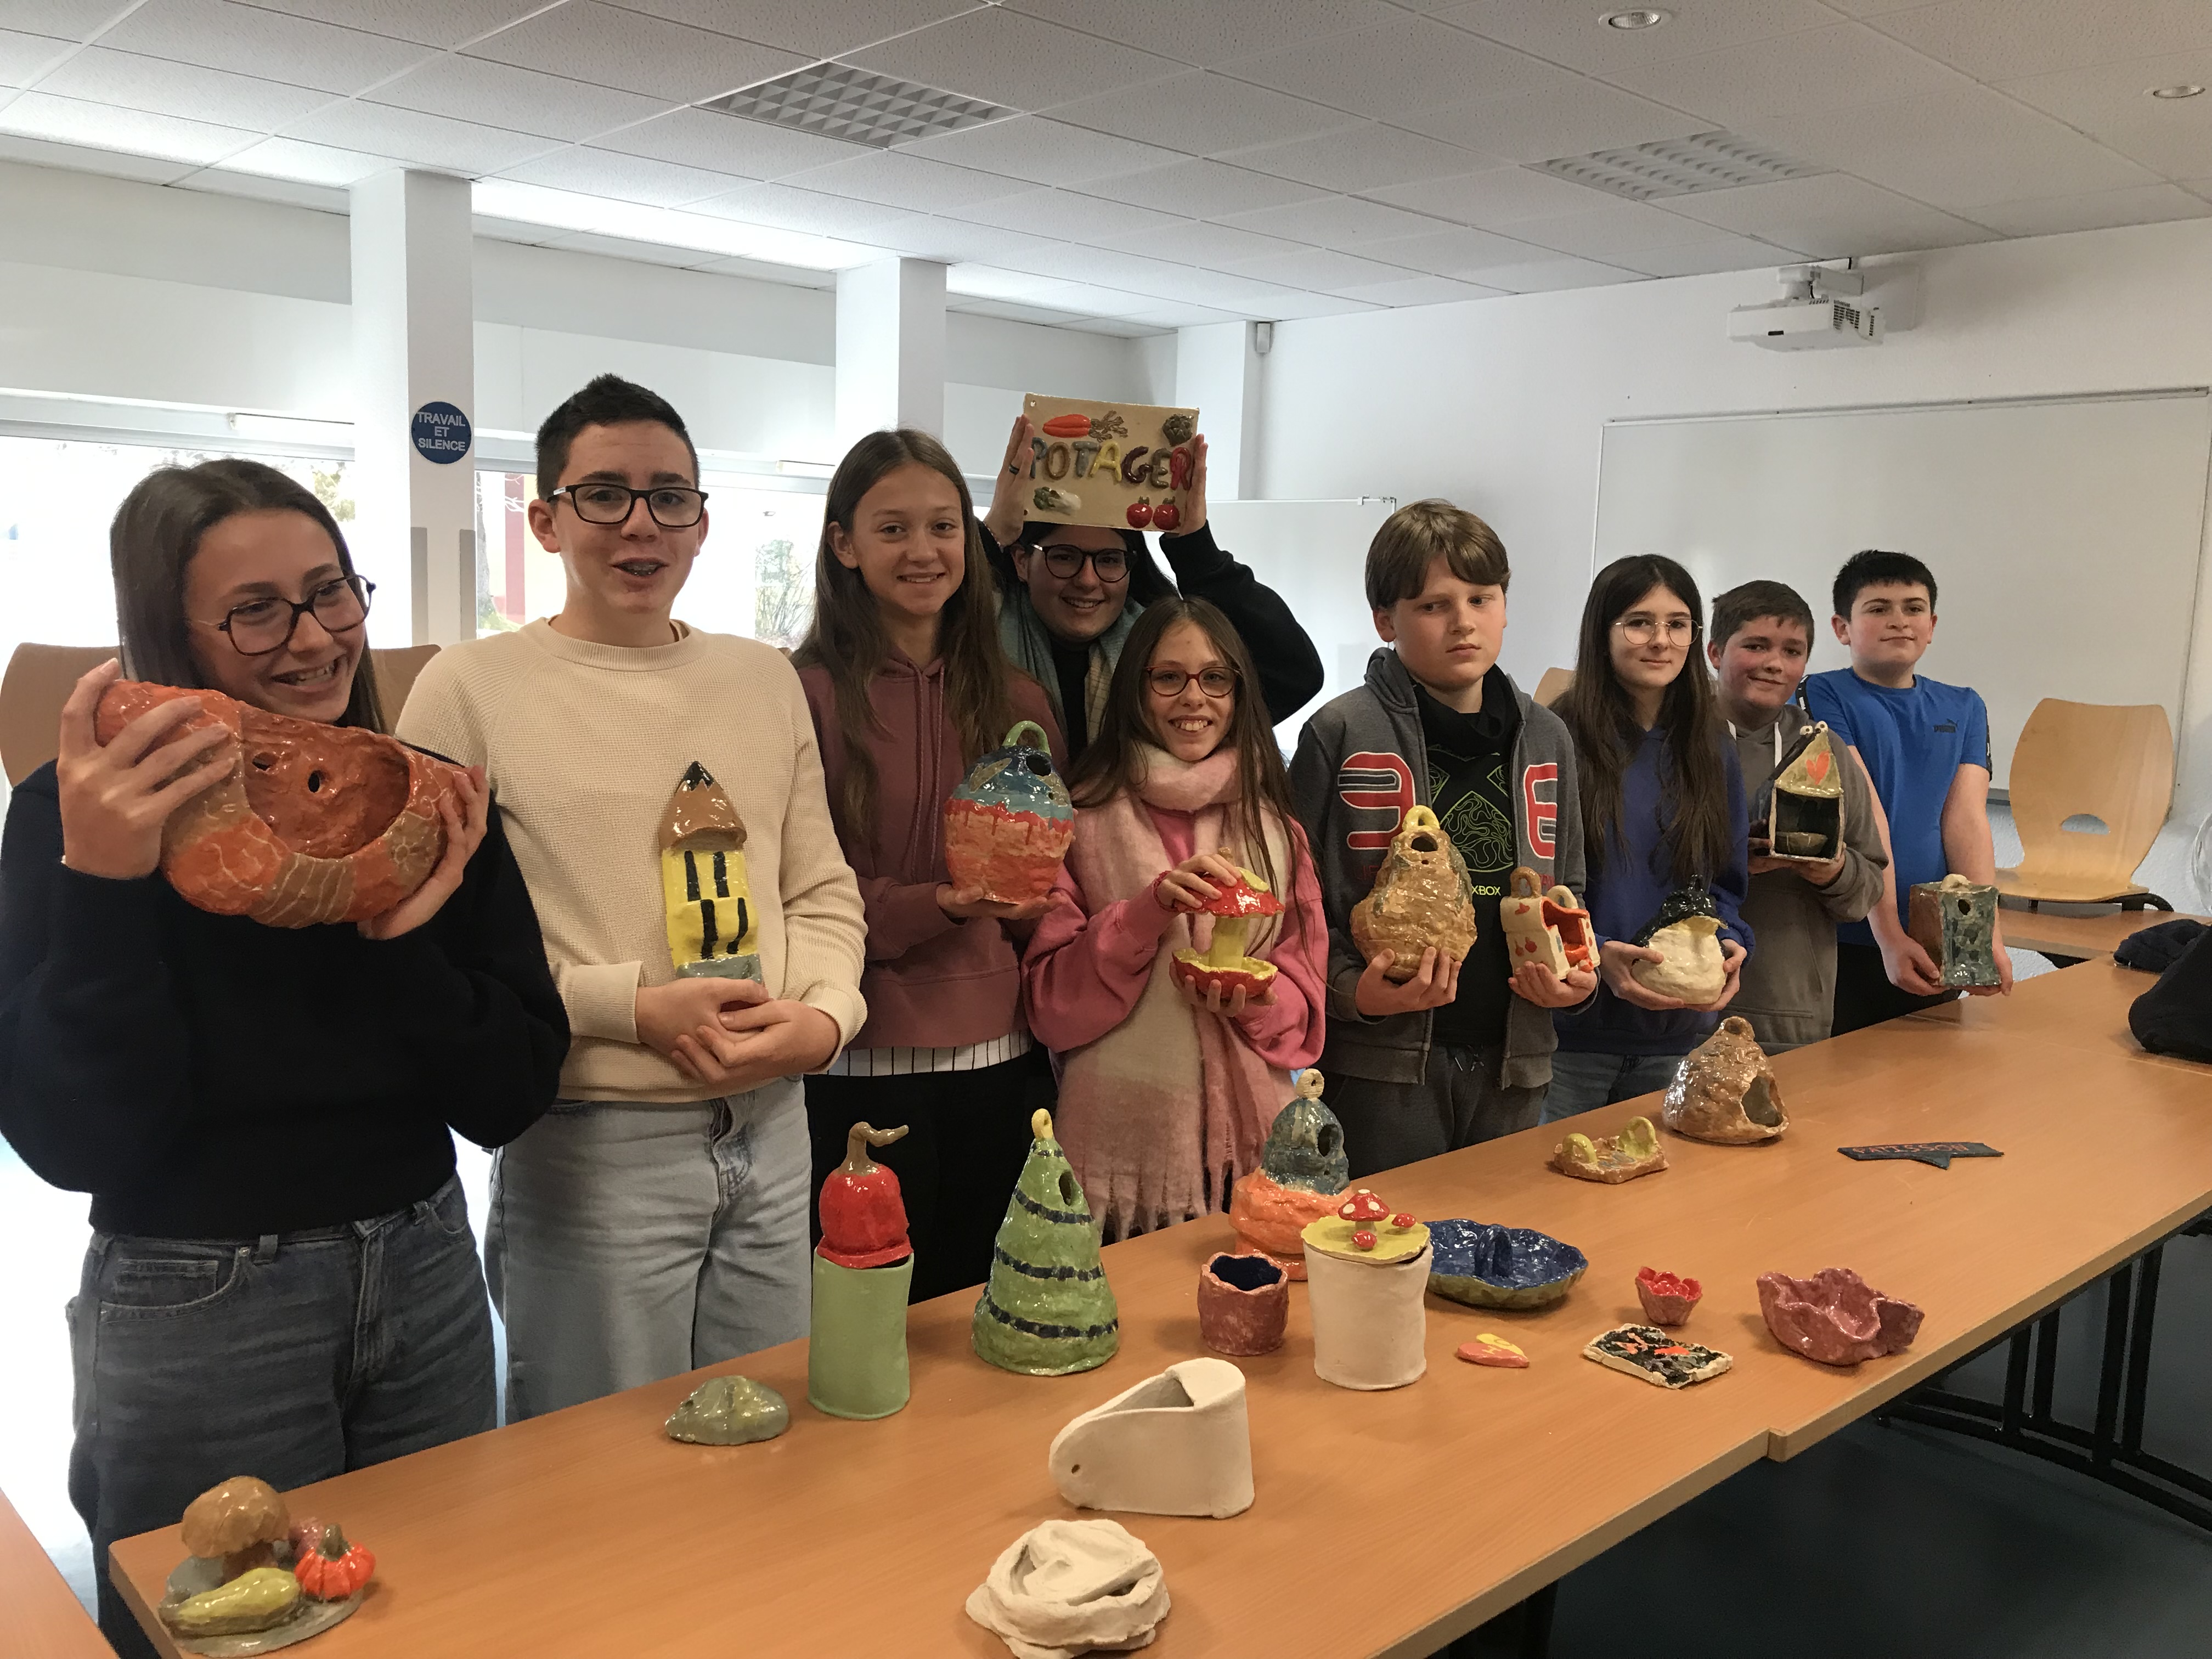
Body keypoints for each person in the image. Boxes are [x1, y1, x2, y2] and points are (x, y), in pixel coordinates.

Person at [0, 460, 567, 1657]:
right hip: (196, 1297)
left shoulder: (425, 801)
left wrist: (404, 941)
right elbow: (72, 1143)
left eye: (331, 592)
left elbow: (512, 1093)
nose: (313, 638)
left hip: (423, 1267)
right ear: (170, 629)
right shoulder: (78, 810)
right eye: (255, 609)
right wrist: (104, 883)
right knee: (227, 1635)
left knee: (452, 1614)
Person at [396, 374, 866, 1420]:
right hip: (591, 1138)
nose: (640, 523)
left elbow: (820, 886)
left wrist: (826, 1017)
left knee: (776, 1438)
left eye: (671, 496)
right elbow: (432, 947)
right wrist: (627, 1006)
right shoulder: (467, 690)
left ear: (704, 522)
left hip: (775, 1121)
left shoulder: (760, 678)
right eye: (604, 494)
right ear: (545, 518)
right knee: (602, 1467)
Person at [793, 429, 1061, 1301]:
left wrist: (1024, 894)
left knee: (983, 1327)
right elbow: (797, 890)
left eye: (944, 528)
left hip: (1001, 1067)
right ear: (844, 544)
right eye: (893, 528)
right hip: (850, 1069)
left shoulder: (1018, 701)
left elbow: (1041, 897)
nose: (923, 552)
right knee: (861, 1327)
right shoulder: (802, 696)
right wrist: (935, 903)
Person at [1288, 500, 1592, 1178]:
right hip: (1381, 1065)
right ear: (1385, 620)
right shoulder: (1339, 732)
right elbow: (1295, 903)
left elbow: (1571, 884)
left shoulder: (1548, 736)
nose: (1464, 622)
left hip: (1516, 1060)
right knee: (1383, 1247)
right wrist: (1350, 993)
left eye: (1482, 598)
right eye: (1433, 605)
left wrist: (1576, 977)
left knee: (1496, 1247)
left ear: (1505, 607)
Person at [1022, 597, 1326, 1240]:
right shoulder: (1080, 820)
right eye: (1169, 678)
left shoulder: (1279, 832)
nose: (1195, 698)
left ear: (1240, 694)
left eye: (1216, 678)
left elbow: (1306, 1007)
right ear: (1135, 690)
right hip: (1122, 1160)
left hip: (1255, 1160)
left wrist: (1255, 998)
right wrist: (1144, 914)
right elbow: (1051, 1006)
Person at [1543, 556, 1752, 1122]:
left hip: (1680, 1036)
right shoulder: (1553, 739)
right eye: (1640, 622)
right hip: (1570, 1038)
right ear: (1602, 632)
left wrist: (1730, 943)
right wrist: (1599, 952)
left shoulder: (1710, 746)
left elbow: (1724, 883)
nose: (1661, 641)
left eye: (1678, 624)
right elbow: (1539, 889)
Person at [980, 416, 1323, 760]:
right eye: (1065, 557)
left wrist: (1197, 552)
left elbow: (1293, 675)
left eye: (1110, 560)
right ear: (1023, 562)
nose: (1087, 580)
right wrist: (990, 535)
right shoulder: (976, 637)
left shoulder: (1163, 643)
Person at [1803, 550, 2012, 1034]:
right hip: (1850, 934)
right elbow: (1863, 814)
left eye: (1913, 608)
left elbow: (1966, 822)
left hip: (1935, 933)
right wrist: (1890, 935)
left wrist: (1987, 937)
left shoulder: (1964, 705)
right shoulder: (1821, 693)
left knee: (1924, 1085)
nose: (1899, 621)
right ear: (1842, 628)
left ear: (1932, 624)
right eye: (1878, 609)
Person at [1707, 580, 1886, 1051]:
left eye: (1793, 651)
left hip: (1787, 1013)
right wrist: (1730, 863)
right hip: (1674, 1006)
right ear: (1714, 652)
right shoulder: (1668, 743)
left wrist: (1831, 870)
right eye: (1756, 646)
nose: (1774, 663)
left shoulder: (1825, 753)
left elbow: (1866, 891)